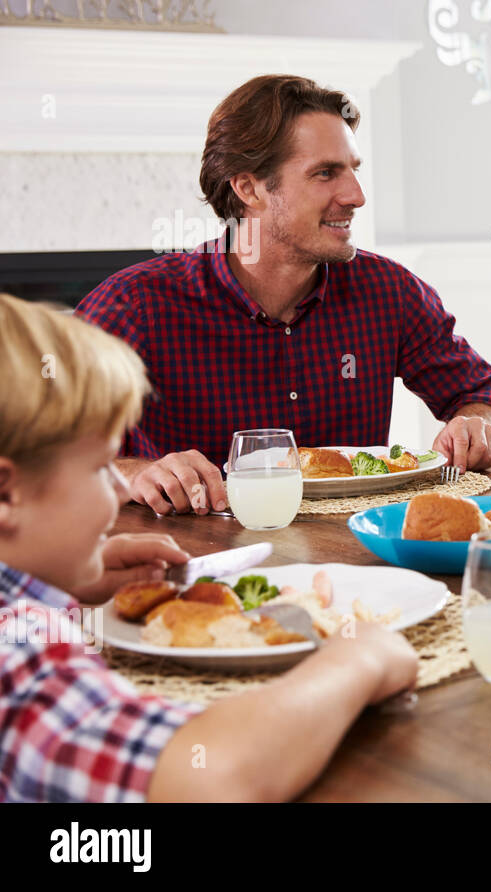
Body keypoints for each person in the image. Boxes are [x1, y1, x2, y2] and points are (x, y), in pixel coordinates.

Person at [0, 294, 418, 801]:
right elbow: (216, 779)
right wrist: (360, 658)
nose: (116, 488)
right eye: (98, 468)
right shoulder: (18, 651)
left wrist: (67, 581)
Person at [77, 75, 491, 516]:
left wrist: (480, 424)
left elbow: (489, 396)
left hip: (360, 563)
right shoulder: (135, 305)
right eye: (325, 174)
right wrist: (132, 473)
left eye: (353, 170)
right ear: (248, 187)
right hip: (202, 570)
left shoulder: (388, 292)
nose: (356, 195)